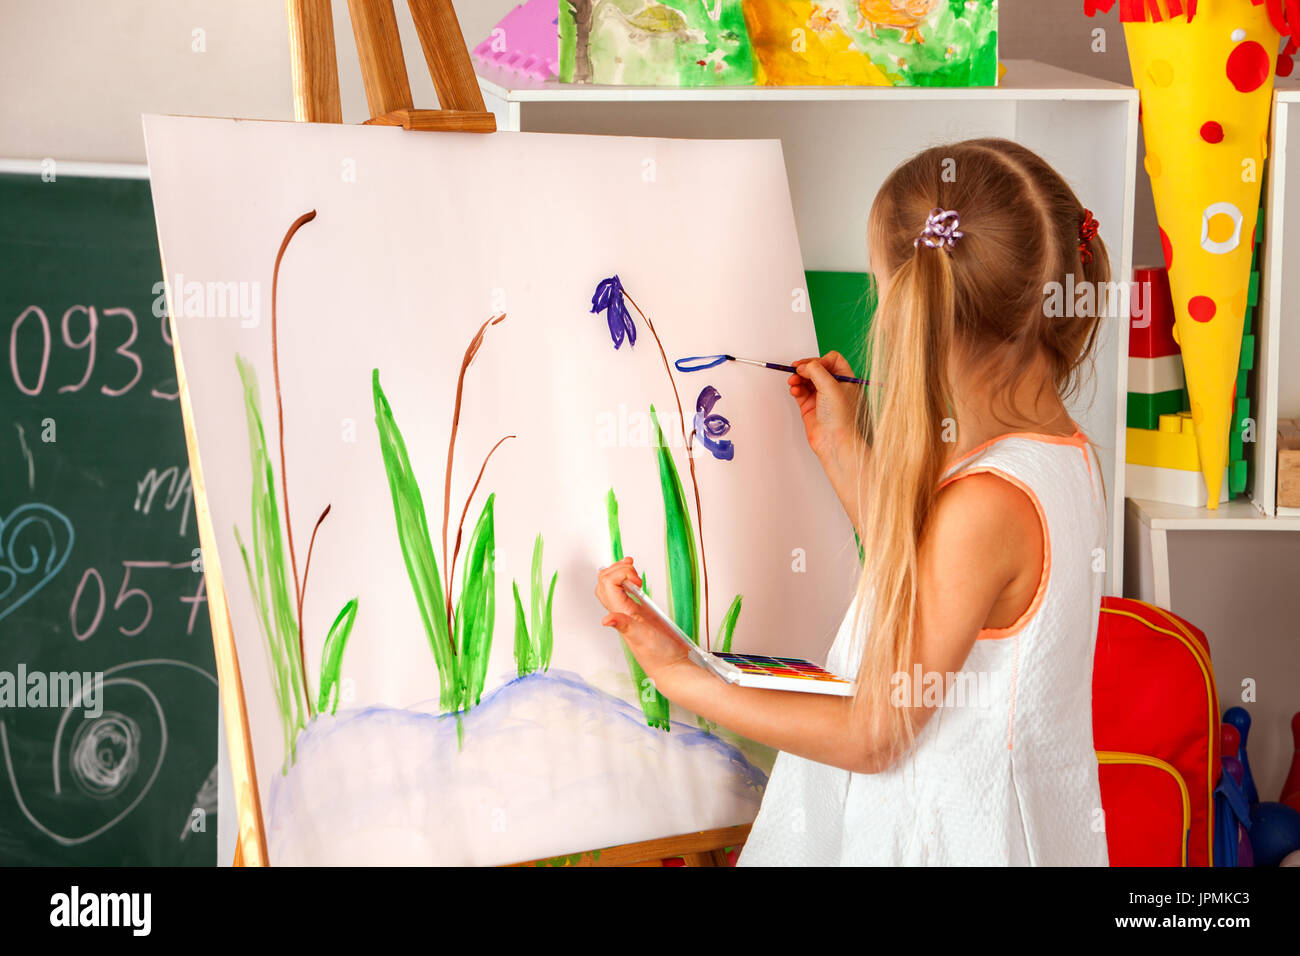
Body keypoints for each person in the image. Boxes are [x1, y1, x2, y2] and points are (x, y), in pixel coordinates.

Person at [595, 139, 1111, 866]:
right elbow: (940, 592)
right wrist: (844, 452)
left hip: (943, 838)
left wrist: (682, 677)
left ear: (910, 308)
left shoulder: (987, 500)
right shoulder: (1060, 453)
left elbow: (876, 734)